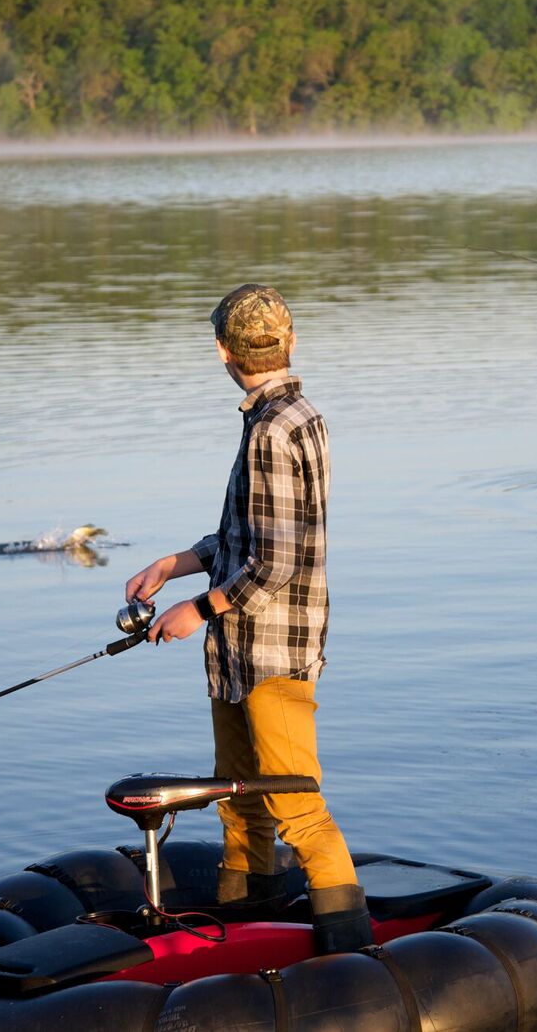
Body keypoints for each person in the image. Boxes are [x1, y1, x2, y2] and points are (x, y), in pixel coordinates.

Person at [123, 283, 372, 955]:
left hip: (272, 654)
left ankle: (351, 957)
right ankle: (245, 932)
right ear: (289, 342)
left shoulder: (272, 428)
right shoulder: (289, 414)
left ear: (221, 350)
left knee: (294, 803)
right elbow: (247, 537)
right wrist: (176, 563)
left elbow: (278, 562)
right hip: (237, 651)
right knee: (239, 803)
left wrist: (194, 609)